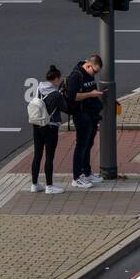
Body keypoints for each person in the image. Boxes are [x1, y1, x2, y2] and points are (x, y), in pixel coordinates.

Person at [64, 54, 105, 188]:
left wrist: (96, 94)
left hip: (91, 114)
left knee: (88, 144)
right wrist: (91, 94)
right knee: (81, 145)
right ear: (88, 65)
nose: (95, 74)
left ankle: (87, 172)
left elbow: (88, 89)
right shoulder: (76, 76)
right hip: (81, 114)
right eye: (95, 71)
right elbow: (72, 96)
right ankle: (77, 177)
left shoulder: (89, 74)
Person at [29, 65, 68, 194]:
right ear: (56, 79)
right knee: (49, 156)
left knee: (37, 155)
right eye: (60, 78)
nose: (61, 80)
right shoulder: (56, 94)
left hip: (36, 125)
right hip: (50, 127)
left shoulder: (39, 88)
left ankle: (34, 184)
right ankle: (49, 186)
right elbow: (65, 108)